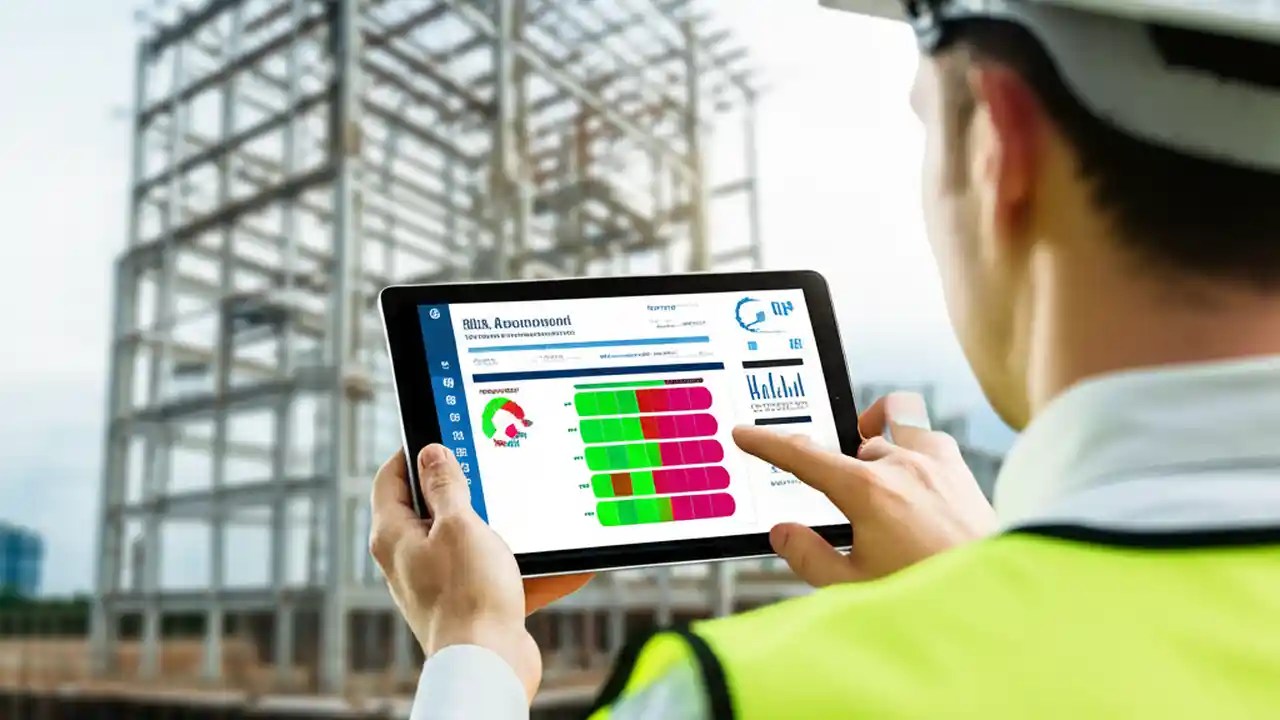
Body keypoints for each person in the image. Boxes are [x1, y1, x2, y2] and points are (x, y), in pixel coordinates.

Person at [370, 0, 1280, 716]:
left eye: (929, 125)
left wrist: (473, 653)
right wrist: (976, 582)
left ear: (999, 149)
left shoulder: (729, 698)